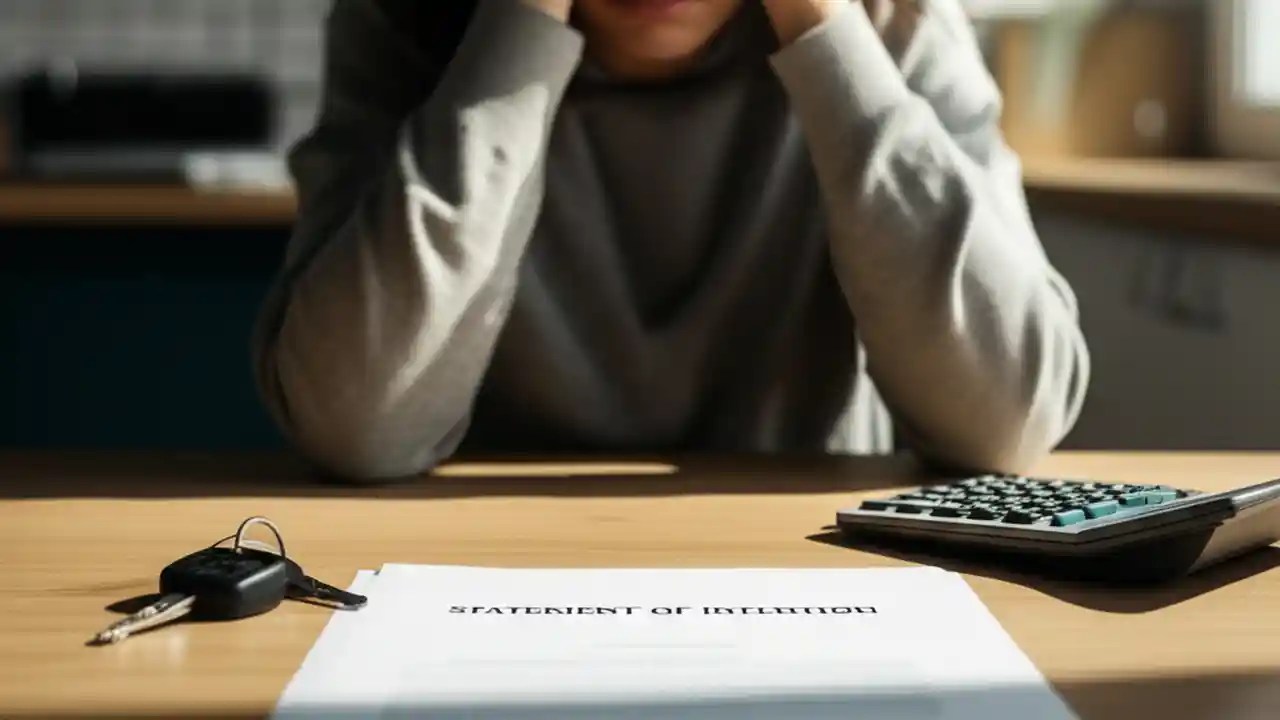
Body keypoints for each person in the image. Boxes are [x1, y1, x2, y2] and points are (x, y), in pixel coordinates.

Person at [253, 0, 1090, 481]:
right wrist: (520, 27)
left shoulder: (889, 19)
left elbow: (1006, 424)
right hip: (478, 575)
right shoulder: (407, 22)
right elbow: (357, 428)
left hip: (816, 577)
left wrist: (829, 31)